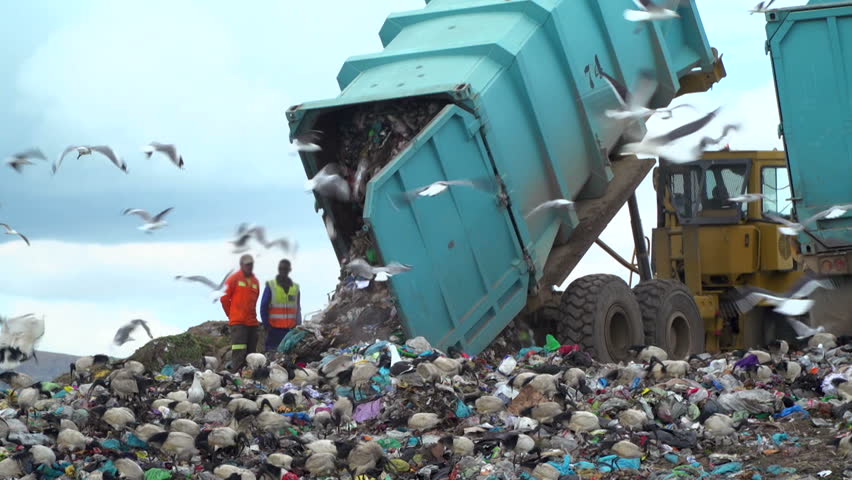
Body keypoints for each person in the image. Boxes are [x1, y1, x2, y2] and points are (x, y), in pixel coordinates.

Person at [220, 254, 261, 372]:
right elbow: (224, 298)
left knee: (251, 353)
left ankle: (249, 375)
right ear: (242, 265)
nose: (249, 266)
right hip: (239, 322)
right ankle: (237, 374)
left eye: (251, 264)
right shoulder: (234, 278)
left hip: (252, 322)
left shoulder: (255, 281)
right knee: (239, 351)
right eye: (247, 264)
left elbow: (255, 300)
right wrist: (231, 315)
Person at [260, 259, 302, 352]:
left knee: (288, 355)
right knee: (272, 355)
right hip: (274, 329)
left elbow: (298, 309)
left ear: (289, 270)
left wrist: (299, 325)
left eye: (285, 269)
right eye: (281, 268)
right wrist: (267, 325)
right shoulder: (271, 286)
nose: (283, 271)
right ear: (278, 269)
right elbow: (263, 306)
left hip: (290, 330)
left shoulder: (295, 288)